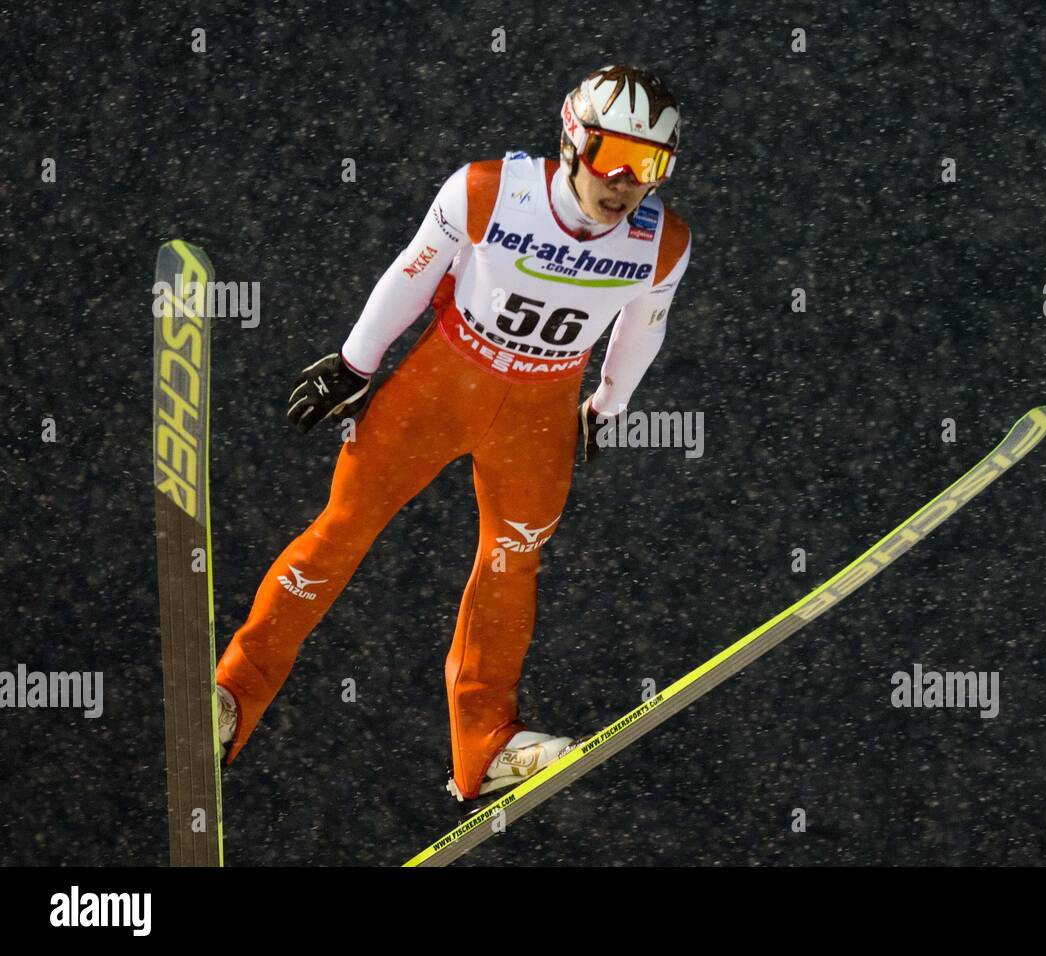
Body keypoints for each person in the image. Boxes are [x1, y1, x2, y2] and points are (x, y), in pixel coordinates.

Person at [213, 64, 692, 803]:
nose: (626, 182)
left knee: (513, 562)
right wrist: (353, 364)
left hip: (540, 410)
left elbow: (642, 327)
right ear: (574, 140)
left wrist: (609, 403)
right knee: (345, 526)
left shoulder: (661, 243)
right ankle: (234, 694)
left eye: (650, 166)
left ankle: (487, 747)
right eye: (613, 156)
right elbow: (412, 271)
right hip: (444, 383)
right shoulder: (489, 190)